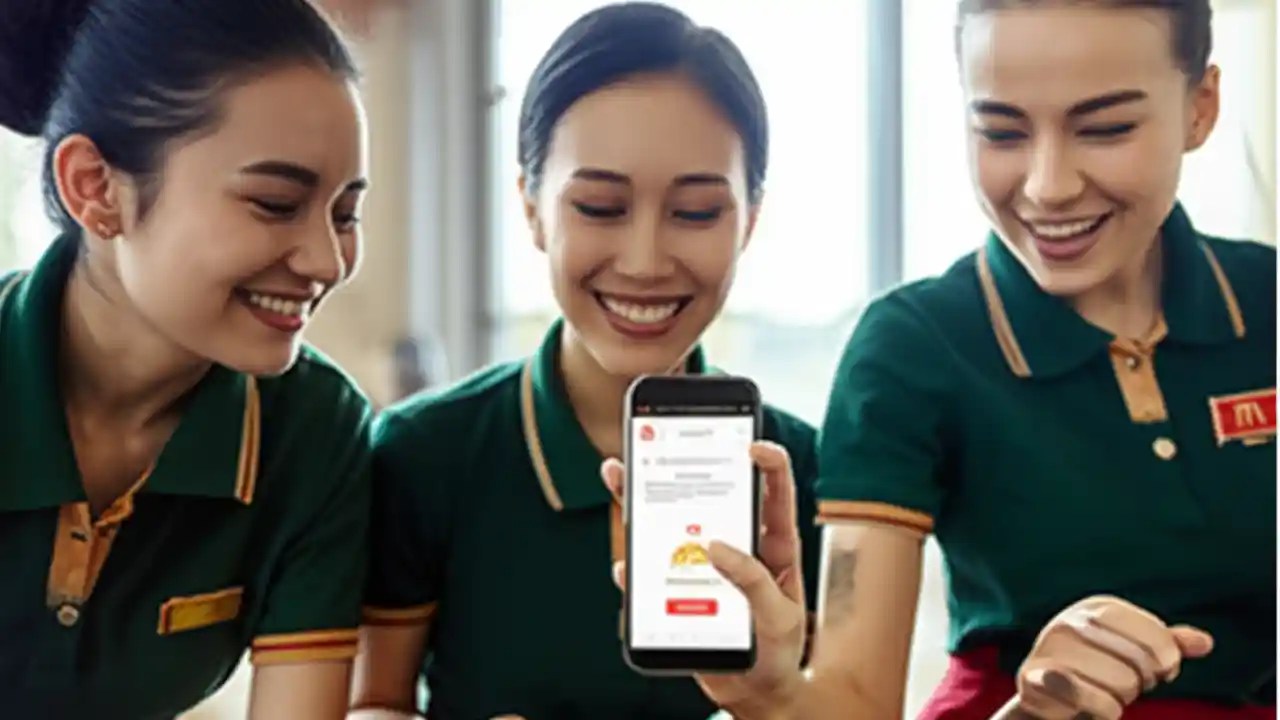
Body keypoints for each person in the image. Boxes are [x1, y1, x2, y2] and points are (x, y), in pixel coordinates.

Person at [605, 1, 1275, 719]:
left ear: (1201, 108)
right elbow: (853, 702)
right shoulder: (915, 344)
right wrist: (768, 693)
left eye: (1106, 129)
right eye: (1001, 131)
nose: (1048, 185)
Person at [351, 4, 822, 719]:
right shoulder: (427, 454)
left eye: (696, 212)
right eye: (599, 207)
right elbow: (374, 703)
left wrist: (777, 699)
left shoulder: (799, 471)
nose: (643, 262)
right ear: (533, 210)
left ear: (749, 222)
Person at [0, 0, 375, 717]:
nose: (327, 260)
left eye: (345, 213)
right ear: (95, 187)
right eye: (274, 202)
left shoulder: (315, 431)